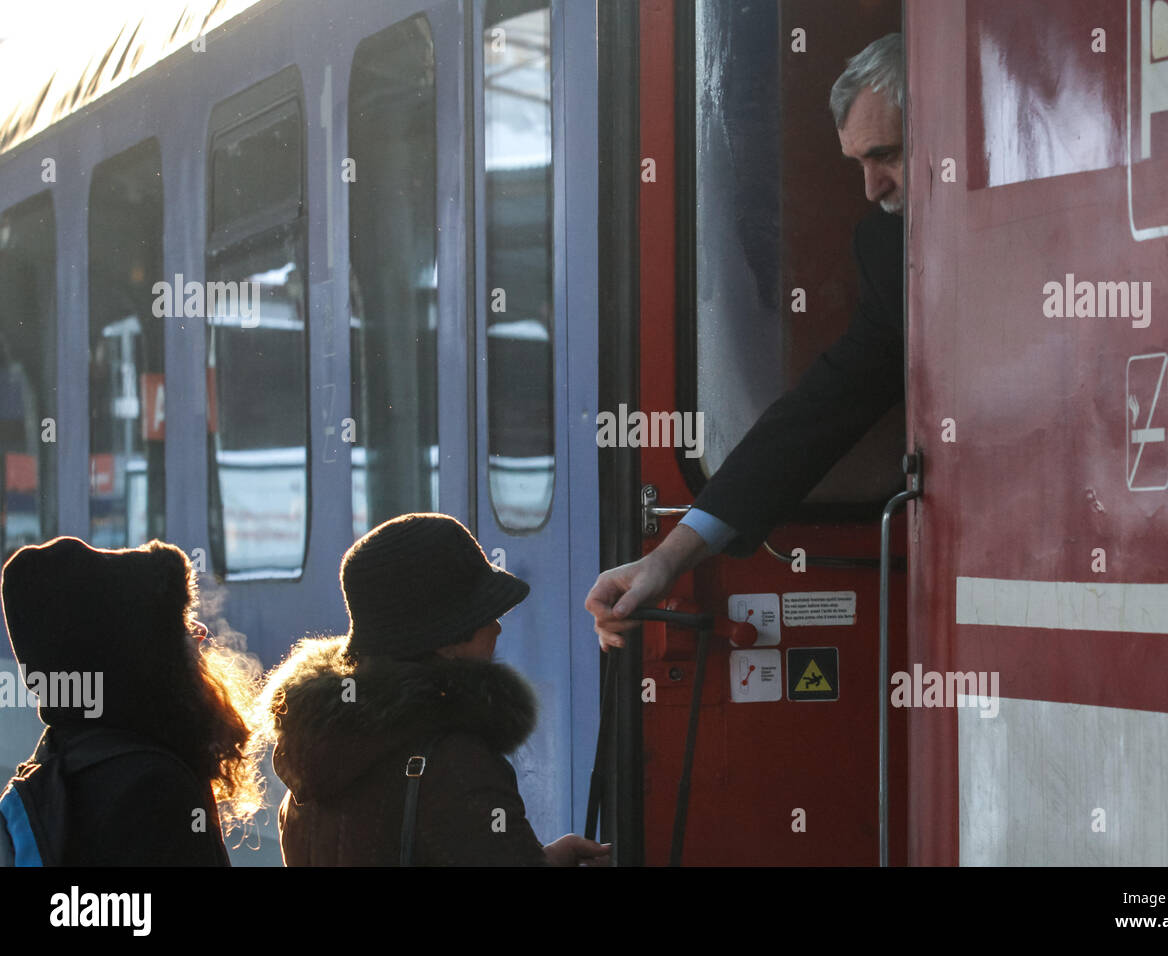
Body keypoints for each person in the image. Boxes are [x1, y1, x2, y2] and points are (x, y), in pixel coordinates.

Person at [587, 33, 907, 649]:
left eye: (887, 154)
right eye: (859, 164)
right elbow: (820, 410)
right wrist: (668, 558)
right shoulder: (886, 249)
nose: (872, 189)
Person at [264, 512, 610, 866]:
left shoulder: (309, 757)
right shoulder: (455, 765)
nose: (496, 630)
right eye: (484, 617)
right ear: (445, 641)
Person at [0, 536, 262, 865]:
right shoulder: (156, 789)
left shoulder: (57, 762)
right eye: (178, 623)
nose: (200, 634)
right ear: (142, 655)